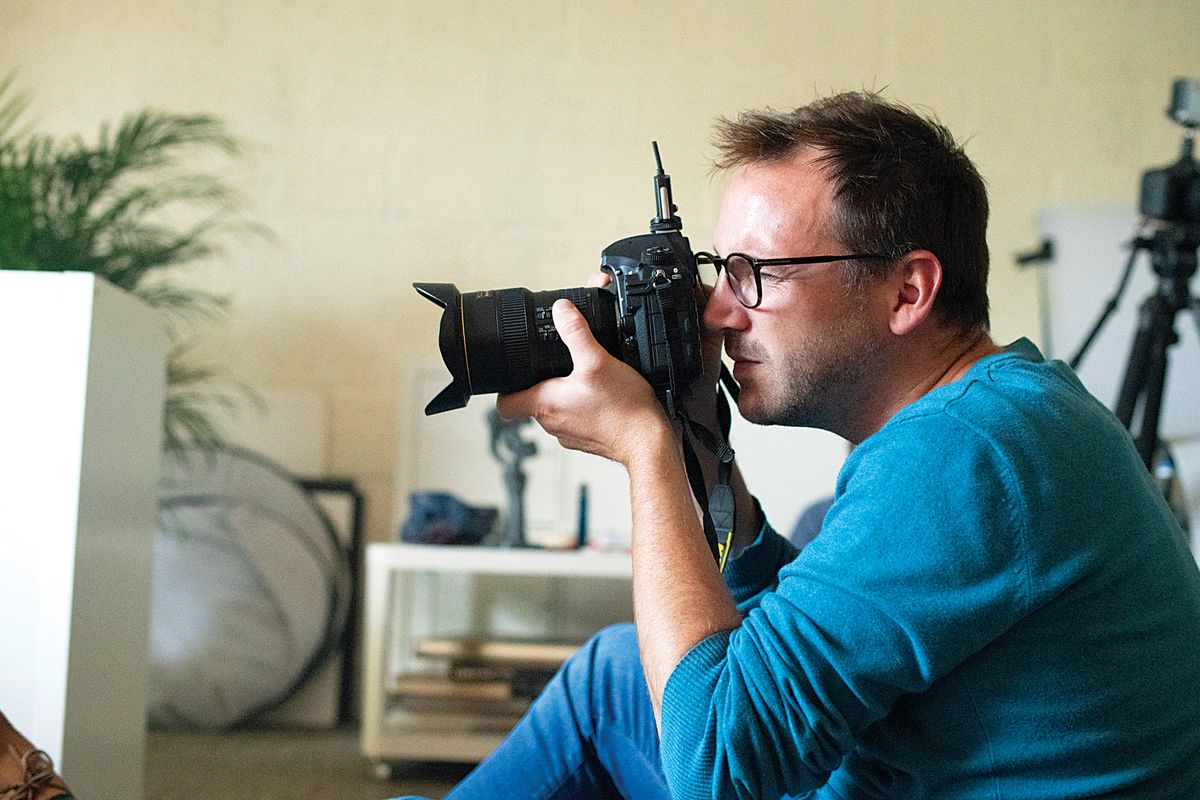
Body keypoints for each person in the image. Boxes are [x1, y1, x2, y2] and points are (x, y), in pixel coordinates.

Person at [396, 91, 1200, 799]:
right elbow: (799, 642)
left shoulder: (966, 455)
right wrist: (696, 451)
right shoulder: (1006, 412)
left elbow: (716, 766)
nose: (718, 312)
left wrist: (645, 450)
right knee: (615, 671)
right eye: (720, 268)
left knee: (616, 687)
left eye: (758, 273)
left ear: (908, 290)